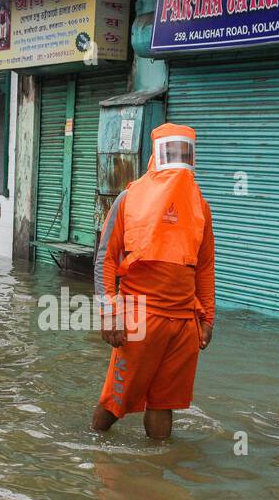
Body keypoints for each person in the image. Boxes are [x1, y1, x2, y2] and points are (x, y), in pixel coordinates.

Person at [92, 123, 216, 440]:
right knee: (115, 402)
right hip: (138, 317)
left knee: (164, 403)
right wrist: (109, 313)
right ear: (156, 156)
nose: (178, 159)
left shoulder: (200, 206)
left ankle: (155, 473)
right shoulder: (128, 199)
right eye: (171, 151)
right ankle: (91, 450)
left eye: (184, 152)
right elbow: (105, 258)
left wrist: (206, 318)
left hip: (183, 321)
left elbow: (204, 267)